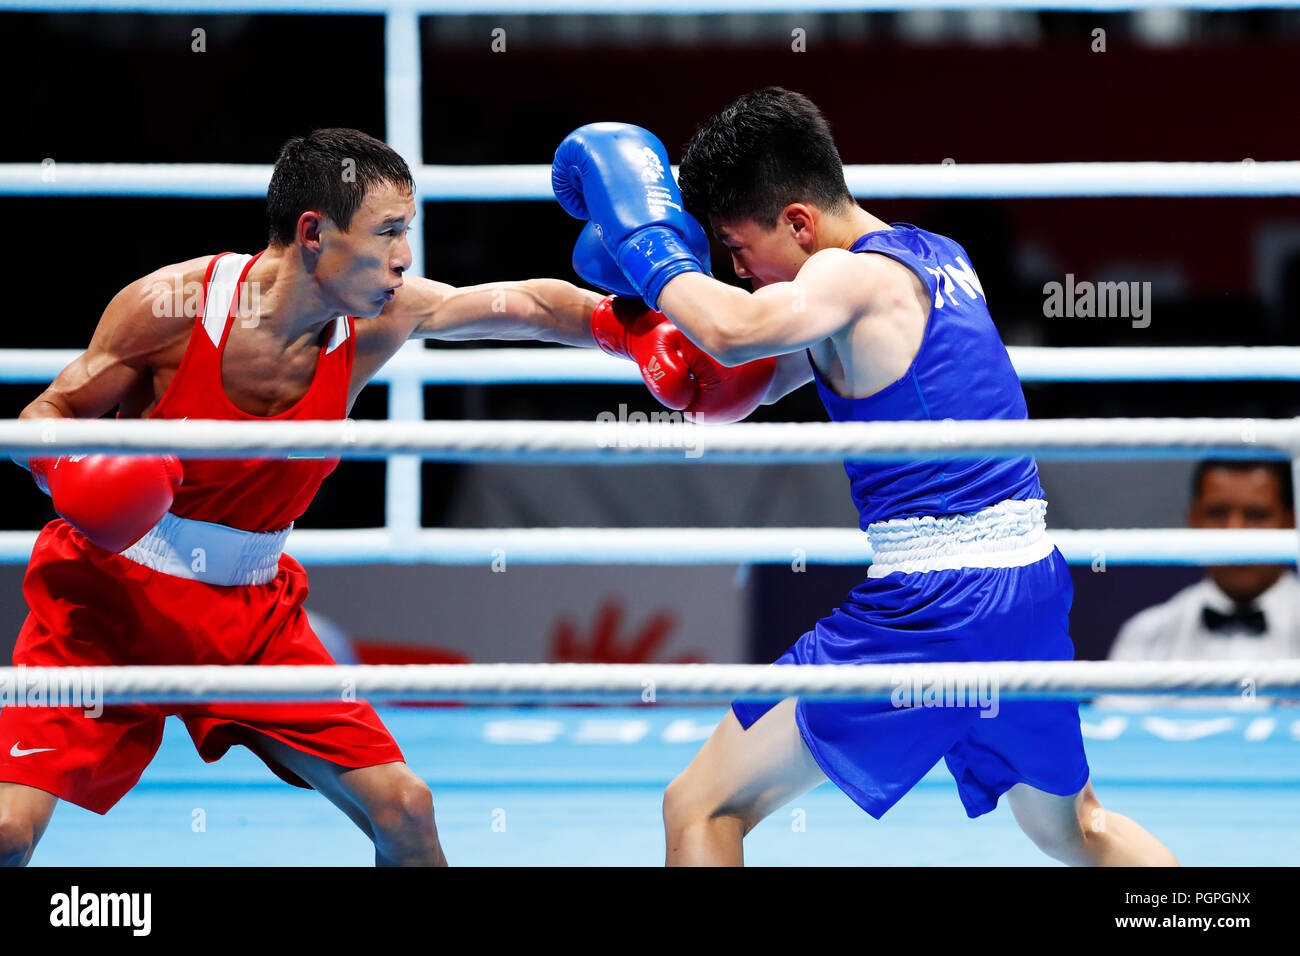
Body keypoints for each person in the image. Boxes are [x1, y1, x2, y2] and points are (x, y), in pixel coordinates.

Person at [0, 127, 775, 866]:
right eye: (388, 233)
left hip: (250, 621)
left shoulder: (379, 318)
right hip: (104, 605)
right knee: (7, 831)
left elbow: (528, 306)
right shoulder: (169, 309)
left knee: (404, 807)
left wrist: (630, 327)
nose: (406, 258)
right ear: (314, 232)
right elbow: (43, 417)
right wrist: (73, 471)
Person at [552, 87, 1180, 866]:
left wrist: (648, 241)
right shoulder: (938, 256)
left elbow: (733, 329)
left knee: (701, 805)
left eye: (738, 248)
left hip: (935, 606)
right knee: (1077, 827)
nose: (741, 271)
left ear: (799, 223)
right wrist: (620, 322)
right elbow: (734, 372)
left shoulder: (846, 279)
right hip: (1027, 588)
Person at [1109, 459, 1299, 678]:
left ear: (1292, 522)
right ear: (1194, 519)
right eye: (1218, 513)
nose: (1234, 532)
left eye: (1256, 515)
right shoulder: (1147, 634)